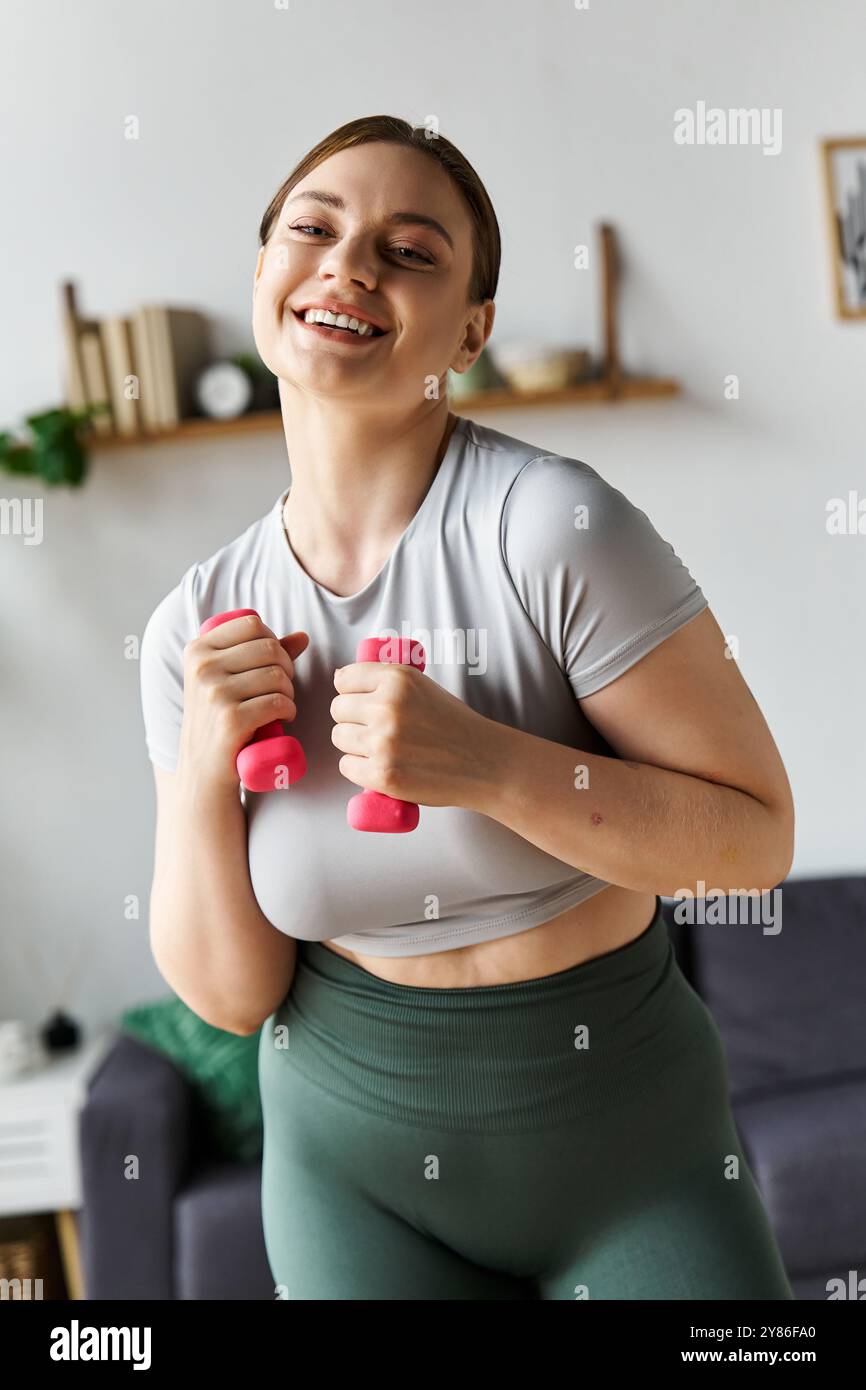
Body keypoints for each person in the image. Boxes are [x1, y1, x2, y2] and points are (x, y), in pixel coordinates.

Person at [140, 114, 796, 1300]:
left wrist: (490, 765)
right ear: (263, 274)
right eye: (314, 229)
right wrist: (198, 775)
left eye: (410, 251)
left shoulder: (551, 528)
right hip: (353, 1180)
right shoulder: (197, 622)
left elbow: (752, 842)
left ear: (471, 331)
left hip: (632, 1159)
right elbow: (232, 996)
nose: (348, 266)